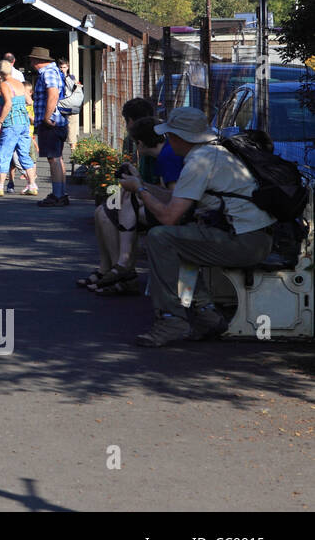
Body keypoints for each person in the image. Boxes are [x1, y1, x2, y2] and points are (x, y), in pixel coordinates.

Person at [120, 107, 275, 347]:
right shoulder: (212, 153)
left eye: (170, 135)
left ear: (182, 138)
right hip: (252, 237)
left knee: (161, 237)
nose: (167, 140)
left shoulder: (199, 162)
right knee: (178, 239)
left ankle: (172, 319)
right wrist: (142, 185)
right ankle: (207, 314)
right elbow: (176, 201)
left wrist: (140, 190)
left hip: (244, 241)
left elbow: (169, 217)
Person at [82, 115, 184, 295]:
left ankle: (123, 267)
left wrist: (139, 185)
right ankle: (116, 267)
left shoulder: (168, 156)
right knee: (107, 209)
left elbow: (173, 197)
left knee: (110, 211)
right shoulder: (164, 154)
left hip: (177, 214)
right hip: (167, 209)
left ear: (140, 142)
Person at [0, 61, 39, 196]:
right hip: (24, 123)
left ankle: (0, 187)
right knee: (24, 155)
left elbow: (8, 104)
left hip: (11, 124)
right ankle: (32, 185)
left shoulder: (5, 84)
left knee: (4, 154)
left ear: (0, 73)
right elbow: (29, 101)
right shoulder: (20, 84)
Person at [29, 46, 70, 206]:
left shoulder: (48, 73)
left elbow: (53, 93)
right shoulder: (53, 72)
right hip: (56, 123)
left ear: (38, 60)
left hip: (51, 124)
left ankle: (58, 195)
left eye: (33, 59)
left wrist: (46, 117)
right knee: (57, 158)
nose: (31, 62)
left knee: (54, 159)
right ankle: (61, 193)